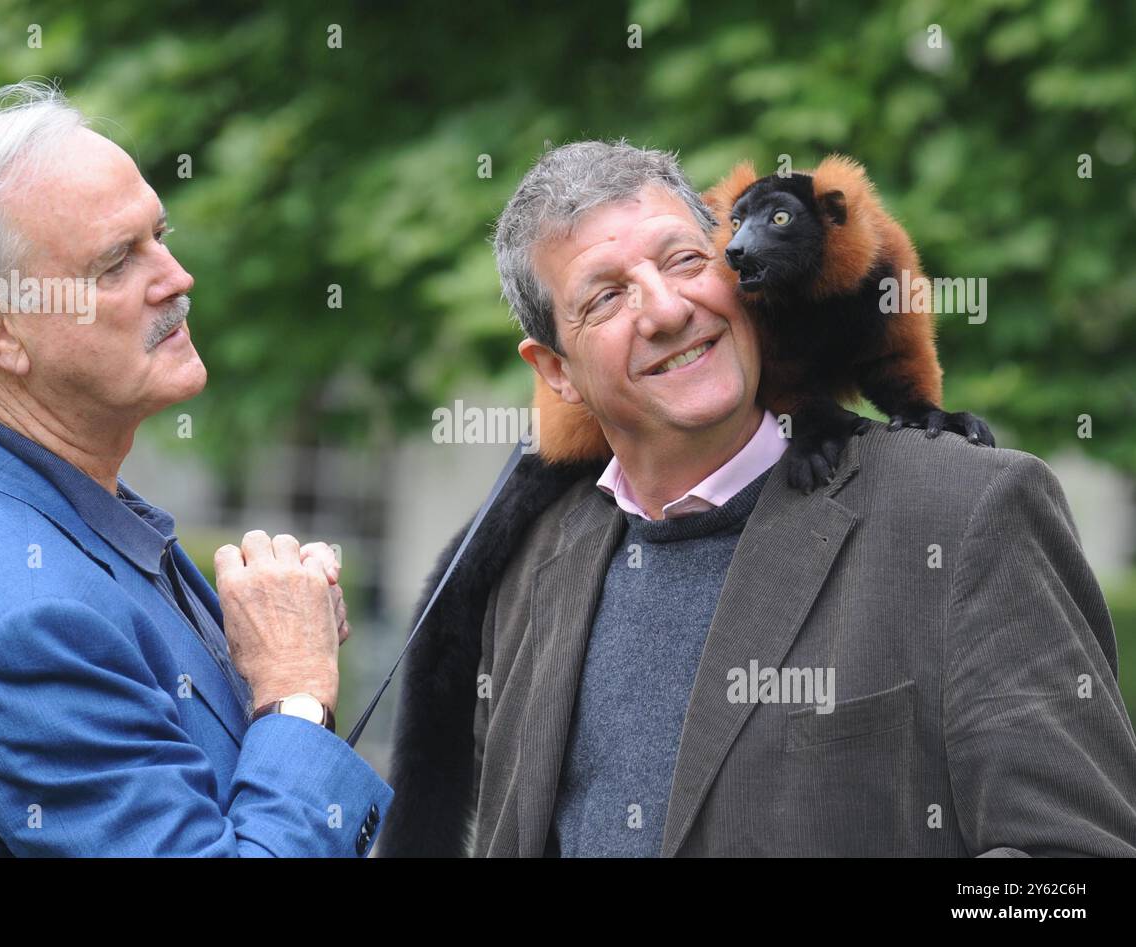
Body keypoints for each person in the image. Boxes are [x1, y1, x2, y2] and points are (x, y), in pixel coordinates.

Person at [380, 140, 1136, 856]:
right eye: (607, 297)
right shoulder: (531, 565)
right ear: (556, 371)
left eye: (684, 260)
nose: (667, 310)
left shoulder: (966, 512)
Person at [0, 81, 390, 856]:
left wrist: (257, 652)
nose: (176, 278)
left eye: (159, 236)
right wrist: (295, 695)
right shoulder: (33, 628)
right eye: (116, 262)